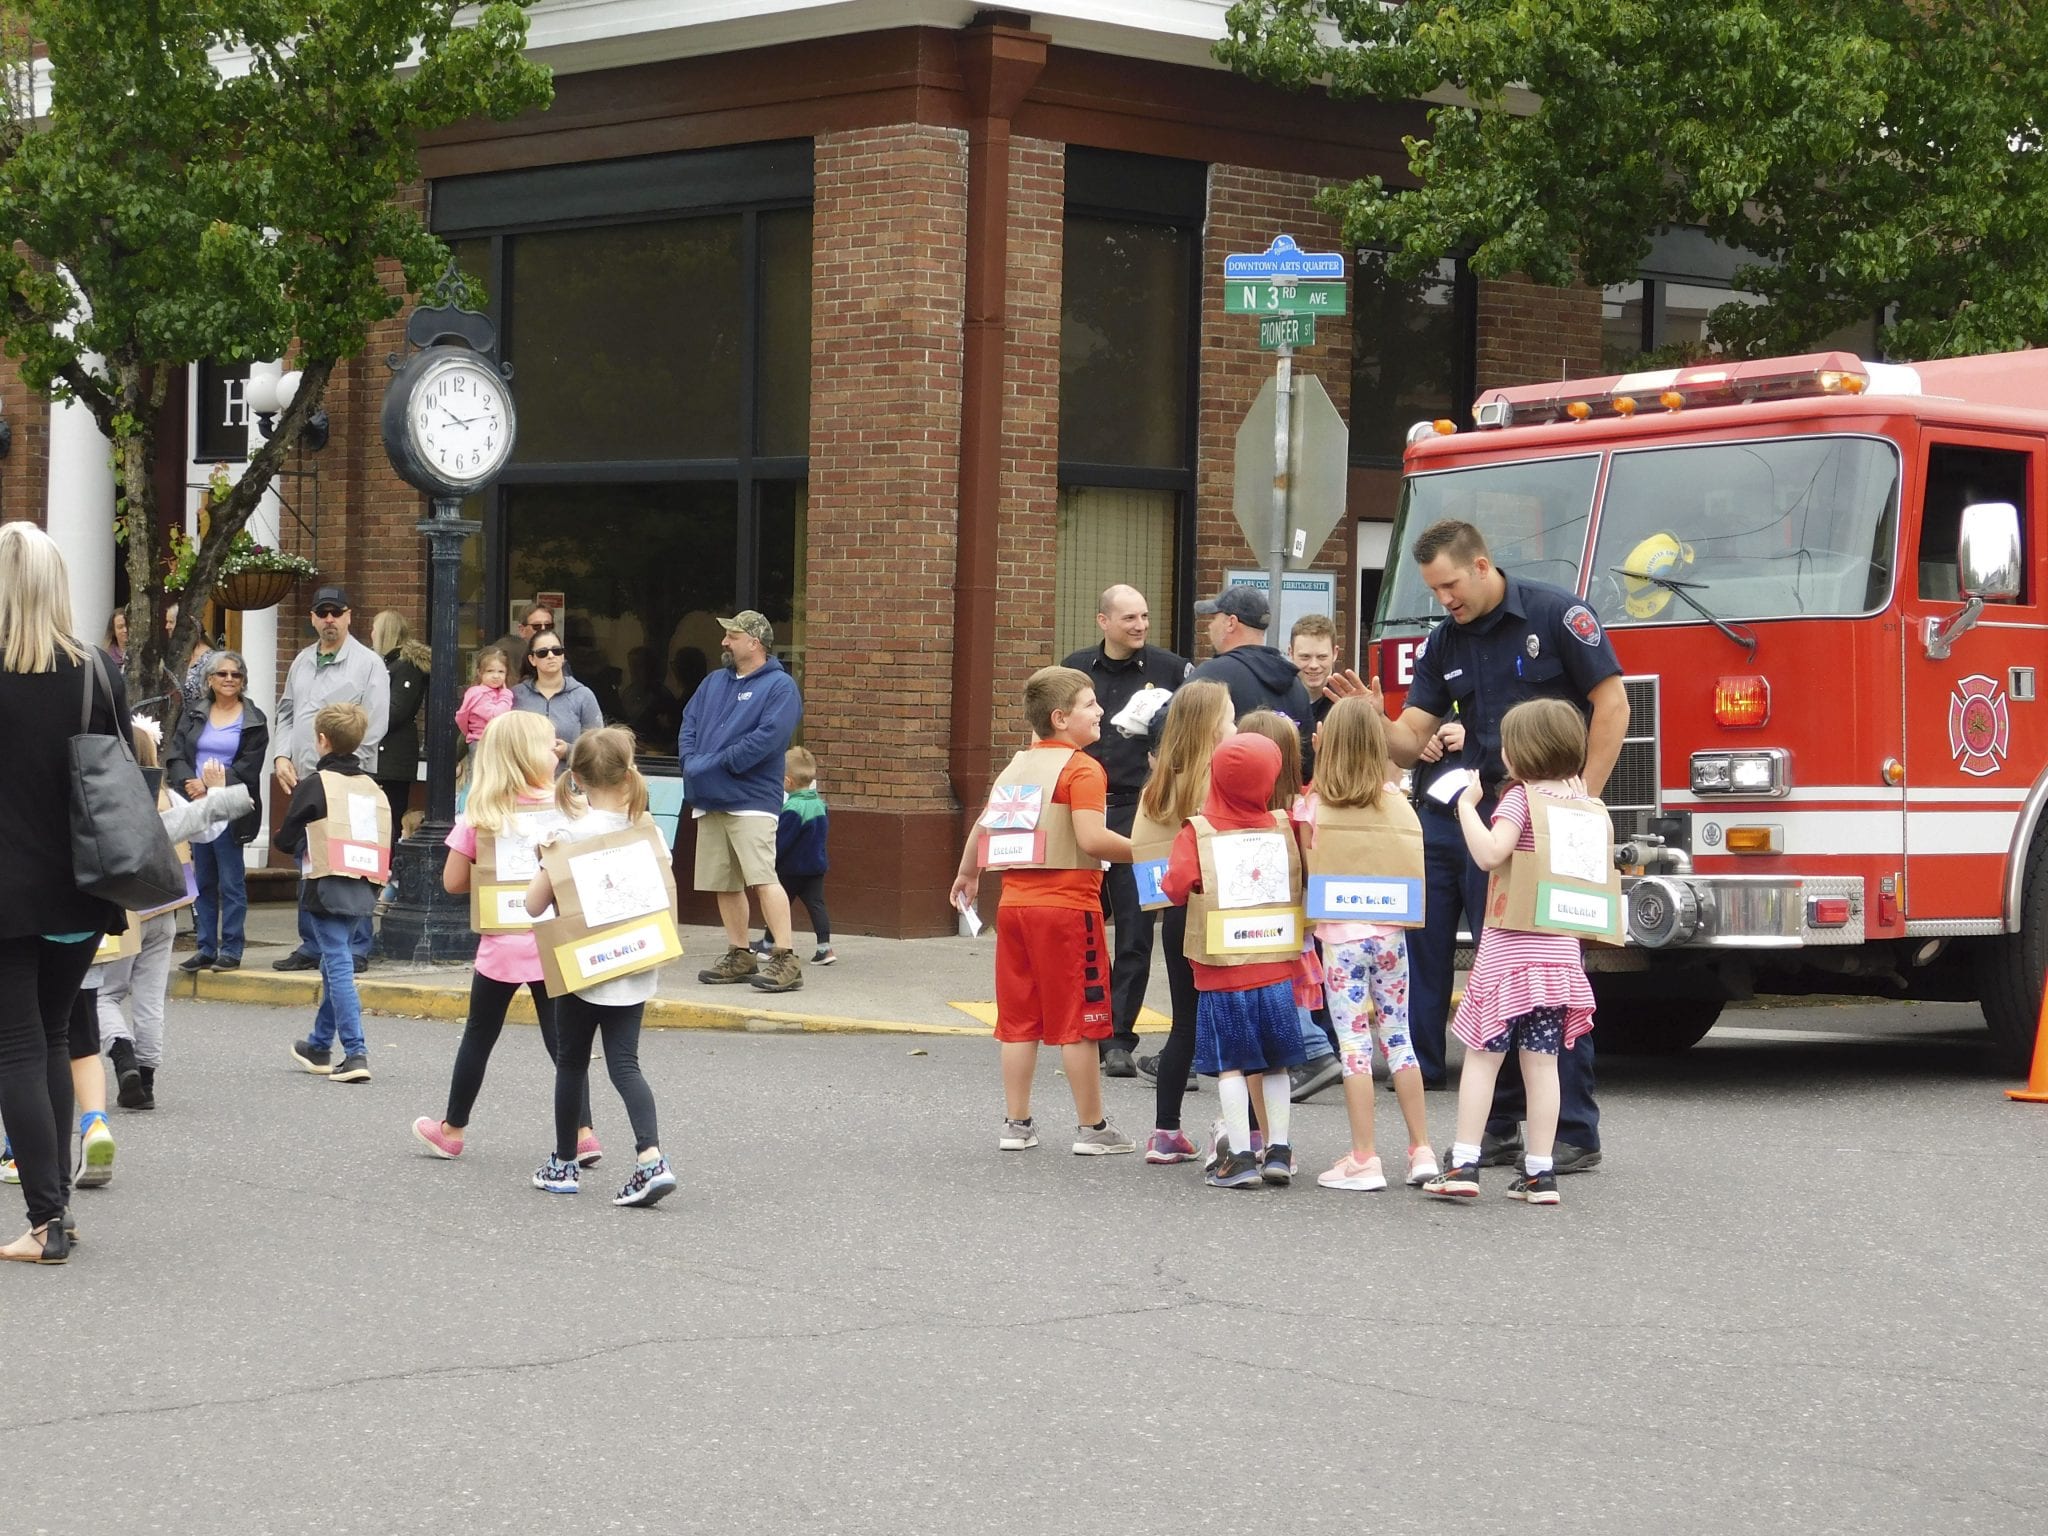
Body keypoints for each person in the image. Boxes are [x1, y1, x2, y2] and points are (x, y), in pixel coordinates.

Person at [1358, 518, 1627, 1174]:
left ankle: (1574, 1130)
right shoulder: (1443, 641)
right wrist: (1373, 717)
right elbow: (1411, 735)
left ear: (1481, 566)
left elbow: (1612, 704)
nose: (1444, 598)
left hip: (1544, 827)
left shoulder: (1557, 615)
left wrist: (1580, 804)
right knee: (1497, 975)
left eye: (1450, 584)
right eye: (1434, 589)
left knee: (1549, 974)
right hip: (1477, 819)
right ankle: (1505, 1125)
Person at [0, 521, 131, 1263]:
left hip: (7, 893)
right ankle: (58, 1212)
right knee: (50, 1035)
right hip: (80, 888)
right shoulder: (95, 671)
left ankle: (47, 1222)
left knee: (16, 1047)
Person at [948, 665, 1137, 1156]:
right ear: (1060, 718)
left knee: (1019, 1020)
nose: (1100, 711)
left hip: (1015, 906)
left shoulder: (1019, 765)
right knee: (1078, 1019)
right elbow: (1092, 839)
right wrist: (1153, 851)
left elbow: (986, 827)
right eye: (1090, 704)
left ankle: (1017, 1122)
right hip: (1069, 907)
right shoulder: (1082, 769)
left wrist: (968, 873)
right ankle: (1092, 1129)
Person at [1423, 700, 1598, 1205]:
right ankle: (1541, 1174)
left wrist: (1464, 807)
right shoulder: (1579, 798)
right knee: (1542, 1065)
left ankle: (1463, 1162)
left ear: (1524, 751)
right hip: (1560, 957)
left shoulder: (1521, 800)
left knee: (1482, 1059)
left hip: (1508, 958)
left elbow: (1490, 854)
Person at [414, 711, 600, 1167]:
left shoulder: (481, 814)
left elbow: (453, 881)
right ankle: (583, 1133)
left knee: (479, 1035)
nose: (558, 746)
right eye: (548, 743)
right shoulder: (569, 809)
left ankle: (452, 1130)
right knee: (564, 1043)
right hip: (554, 941)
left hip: (502, 945)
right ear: (526, 757)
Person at [524, 728, 677, 1207]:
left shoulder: (566, 836)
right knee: (625, 1065)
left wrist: (541, 862)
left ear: (577, 779)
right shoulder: (648, 832)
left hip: (582, 968)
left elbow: (533, 905)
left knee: (571, 1063)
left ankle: (564, 1164)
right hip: (633, 964)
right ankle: (650, 1158)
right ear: (629, 774)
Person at [1299, 696, 1436, 1192]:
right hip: (1390, 936)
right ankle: (1421, 1150)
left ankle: (1364, 1157)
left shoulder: (1313, 805)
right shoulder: (1395, 798)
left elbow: (1307, 873)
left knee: (1354, 1045)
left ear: (1326, 744)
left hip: (1340, 941)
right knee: (1399, 1037)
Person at [1160, 732, 1308, 1190]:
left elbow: (1175, 886)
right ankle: (1278, 1150)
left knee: (1231, 1065)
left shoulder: (1198, 832)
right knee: (1276, 1062)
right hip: (1276, 966)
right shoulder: (1284, 827)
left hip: (1222, 971)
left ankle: (1239, 1158)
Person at [1062, 584, 1189, 1077]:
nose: (1140, 626)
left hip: (1143, 811)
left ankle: (1118, 1036)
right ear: (1103, 621)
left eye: (1144, 616)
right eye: (1129, 618)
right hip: (1083, 810)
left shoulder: (1172, 671)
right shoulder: (1075, 670)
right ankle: (1084, 1024)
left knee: (1136, 930)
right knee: (1082, 926)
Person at [99, 736, 252, 1113]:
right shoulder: (168, 798)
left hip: (124, 913)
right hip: (165, 907)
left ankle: (123, 1056)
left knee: (104, 994)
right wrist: (217, 793)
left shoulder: (111, 801)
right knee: (151, 998)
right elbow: (207, 830)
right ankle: (147, 1081)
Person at [1129, 680, 1233, 1163]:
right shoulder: (1226, 780)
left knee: (1184, 1024)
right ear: (1213, 728)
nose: (1235, 725)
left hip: (1176, 914)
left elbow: (1145, 856)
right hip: (1224, 914)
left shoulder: (1159, 787)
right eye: (1229, 718)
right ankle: (1242, 1133)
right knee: (1238, 1023)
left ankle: (1165, 1132)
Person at [682, 610, 807, 994]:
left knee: (762, 878)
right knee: (725, 882)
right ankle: (740, 952)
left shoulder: (780, 687)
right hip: (709, 795)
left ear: (754, 642)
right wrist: (690, 762)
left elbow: (769, 738)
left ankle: (785, 957)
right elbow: (688, 724)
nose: (724, 642)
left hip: (752, 799)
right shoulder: (713, 683)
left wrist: (716, 763)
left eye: (732, 636)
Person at [270, 585, 389, 974]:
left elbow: (374, 723)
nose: (329, 620)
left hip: (352, 778)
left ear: (349, 615)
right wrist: (281, 754)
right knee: (309, 859)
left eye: (336, 612)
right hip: (307, 776)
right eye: (322, 613)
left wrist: (342, 760)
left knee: (352, 860)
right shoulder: (302, 661)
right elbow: (286, 712)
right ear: (313, 618)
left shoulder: (369, 664)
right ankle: (311, 945)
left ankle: (357, 946)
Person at [279, 702, 386, 1084]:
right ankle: (319, 1044)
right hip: (362, 884)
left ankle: (356, 1051)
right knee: (334, 960)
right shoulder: (372, 787)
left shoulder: (315, 784)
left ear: (322, 740)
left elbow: (286, 838)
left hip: (324, 884)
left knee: (338, 962)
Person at [166, 649, 268, 973]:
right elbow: (177, 753)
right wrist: (191, 784)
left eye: (235, 675)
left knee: (232, 882)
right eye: (222, 674)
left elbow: (250, 767)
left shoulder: (254, 719)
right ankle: (206, 947)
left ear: (243, 681)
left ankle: (232, 949)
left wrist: (214, 786)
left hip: (230, 807)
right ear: (210, 679)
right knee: (203, 880)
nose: (228, 680)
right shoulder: (194, 712)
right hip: (198, 806)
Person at [1186, 584, 1316, 779]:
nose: (1209, 626)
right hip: (1281, 804)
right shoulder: (1295, 685)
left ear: (1231, 623)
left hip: (1230, 799)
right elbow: (1306, 763)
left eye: (1214, 618)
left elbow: (1170, 731)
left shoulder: (1212, 675)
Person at [750, 746, 835, 966]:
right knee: (817, 905)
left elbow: (782, 841)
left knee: (777, 903)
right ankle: (825, 948)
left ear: (787, 782)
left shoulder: (791, 809)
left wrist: (771, 861)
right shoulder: (820, 804)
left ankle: (769, 945)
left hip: (791, 868)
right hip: (816, 867)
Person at [370, 610, 431, 827]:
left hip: (393, 758)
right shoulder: (386, 665)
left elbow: (396, 711)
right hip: (380, 756)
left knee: (391, 820)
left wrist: (360, 720)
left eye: (375, 629)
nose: (371, 634)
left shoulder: (406, 667)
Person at [512, 623, 603, 767]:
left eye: (556, 651)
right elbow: (503, 743)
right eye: (542, 652)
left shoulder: (583, 695)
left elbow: (600, 747)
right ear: (532, 659)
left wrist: (569, 750)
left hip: (569, 783)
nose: (550, 656)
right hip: (524, 784)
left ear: (563, 656)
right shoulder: (516, 695)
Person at [1289, 611, 1340, 731]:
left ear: (1335, 653)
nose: (1313, 665)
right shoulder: (1277, 699)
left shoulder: (1348, 702)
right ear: (1291, 653)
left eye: (1322, 657)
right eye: (1305, 657)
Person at [456, 648, 517, 745]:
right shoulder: (478, 694)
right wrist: (506, 695)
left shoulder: (502, 692)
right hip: (482, 742)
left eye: (501, 671)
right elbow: (497, 716)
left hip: (499, 742)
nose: (496, 676)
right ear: (479, 672)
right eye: (490, 671)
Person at [490, 603, 555, 684]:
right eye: (536, 626)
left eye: (548, 626)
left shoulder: (558, 654)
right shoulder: (508, 653)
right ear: (522, 630)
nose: (543, 629)